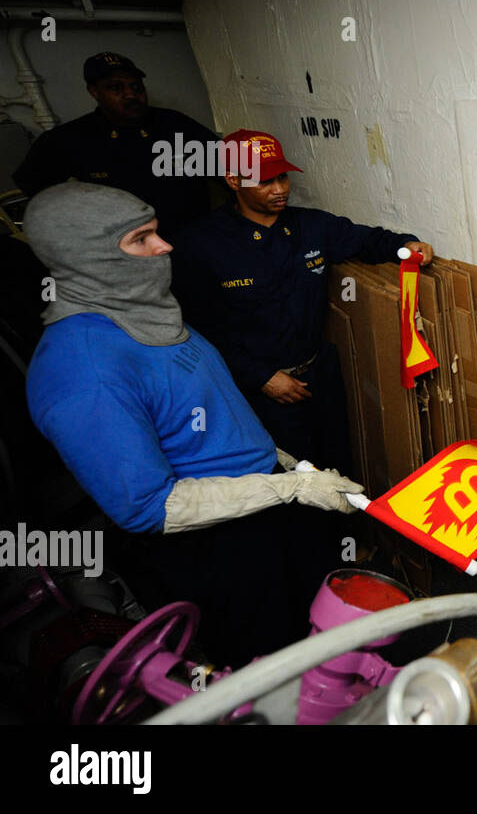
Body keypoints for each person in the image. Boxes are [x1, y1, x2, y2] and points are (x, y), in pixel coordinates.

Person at [23, 183, 362, 666]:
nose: (165, 248)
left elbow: (210, 409)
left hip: (263, 502)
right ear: (87, 257)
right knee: (268, 660)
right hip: (213, 543)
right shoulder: (82, 371)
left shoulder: (147, 313)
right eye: (142, 240)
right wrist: (288, 490)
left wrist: (287, 466)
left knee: (316, 626)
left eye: (157, 233)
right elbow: (149, 508)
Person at [171, 129, 434, 472]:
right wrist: (261, 376)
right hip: (259, 390)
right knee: (287, 477)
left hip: (318, 375)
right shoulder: (201, 244)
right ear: (233, 180)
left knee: (337, 466)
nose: (280, 189)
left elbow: (368, 240)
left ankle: (344, 527)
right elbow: (197, 326)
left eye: (282, 177)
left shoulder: (312, 226)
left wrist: (408, 245)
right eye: (265, 181)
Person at [12, 52, 219, 237]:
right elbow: (32, 182)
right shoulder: (71, 138)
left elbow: (227, 168)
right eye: (115, 87)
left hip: (193, 238)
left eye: (136, 86)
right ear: (94, 92)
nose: (130, 94)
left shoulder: (175, 124)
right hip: (124, 248)